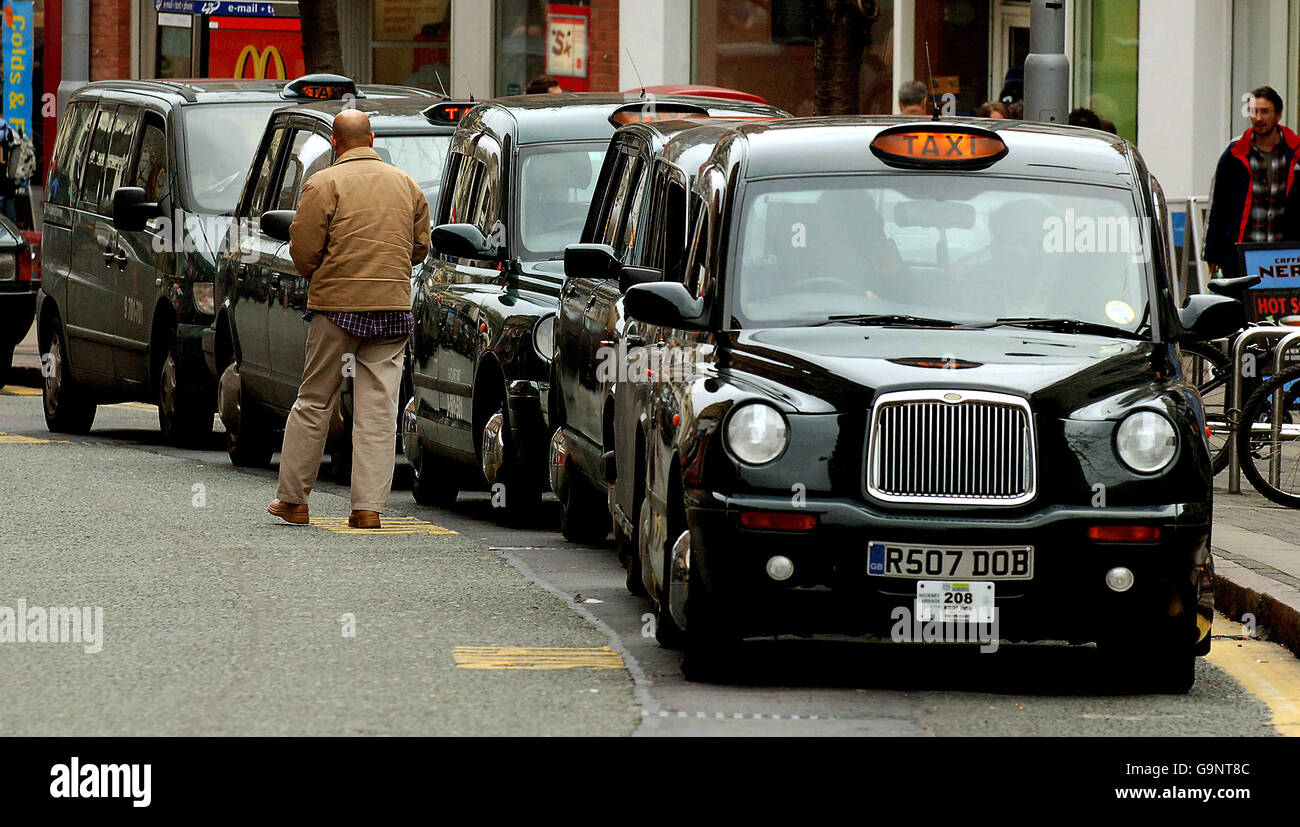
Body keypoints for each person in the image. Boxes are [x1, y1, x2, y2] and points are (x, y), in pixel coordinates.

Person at [268, 110, 431, 530]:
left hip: (337, 308)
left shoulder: (323, 184)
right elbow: (419, 248)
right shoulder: (406, 185)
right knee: (379, 409)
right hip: (392, 308)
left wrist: (325, 272)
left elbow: (304, 251)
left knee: (315, 401)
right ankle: (368, 509)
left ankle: (294, 501)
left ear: (335, 143)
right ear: (372, 139)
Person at [1204, 86, 1300, 276]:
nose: (1258, 118)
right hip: (1242, 254)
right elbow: (1219, 207)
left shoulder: (1295, 153)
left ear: (1278, 115)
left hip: (1286, 257)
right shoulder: (1234, 154)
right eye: (1254, 112)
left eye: (1265, 112)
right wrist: (1213, 255)